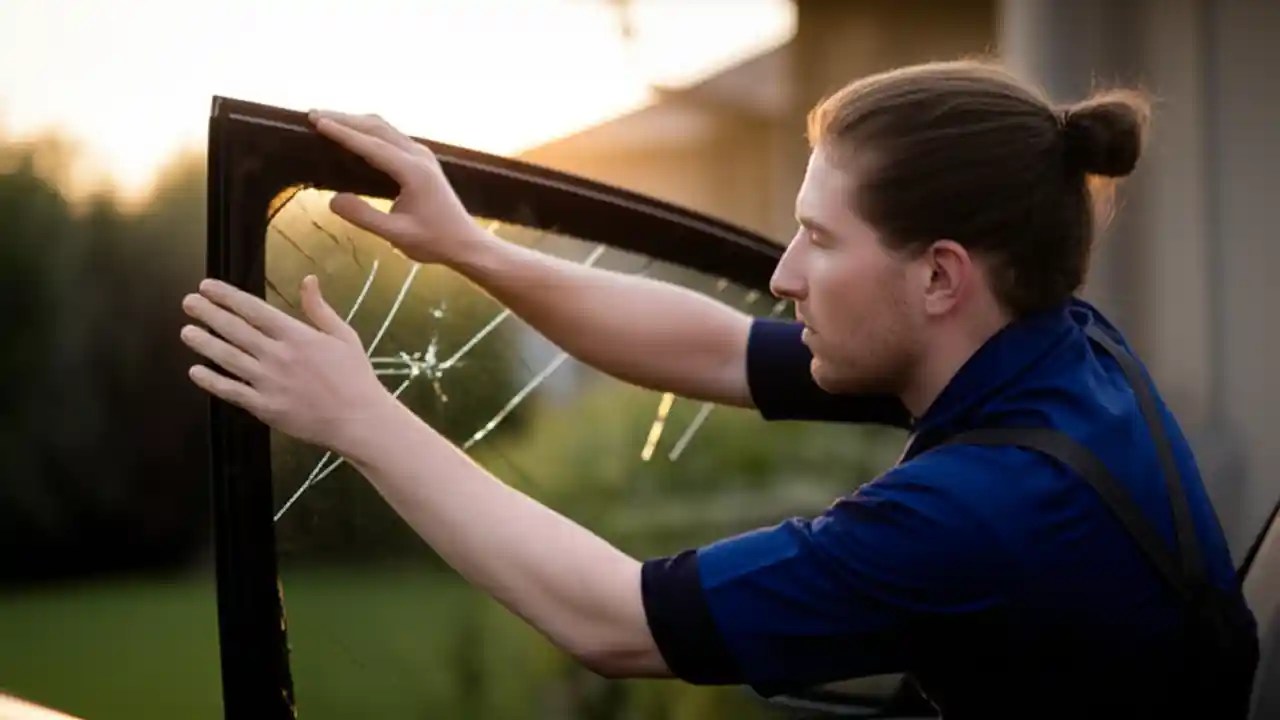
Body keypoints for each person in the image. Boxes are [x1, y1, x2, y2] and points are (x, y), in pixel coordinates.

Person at [178, 59, 1258, 717]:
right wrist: (474, 248)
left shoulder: (984, 512)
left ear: (938, 275)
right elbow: (714, 350)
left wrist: (356, 417)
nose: (782, 272)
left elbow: (616, 623)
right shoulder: (1056, 349)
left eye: (817, 240)